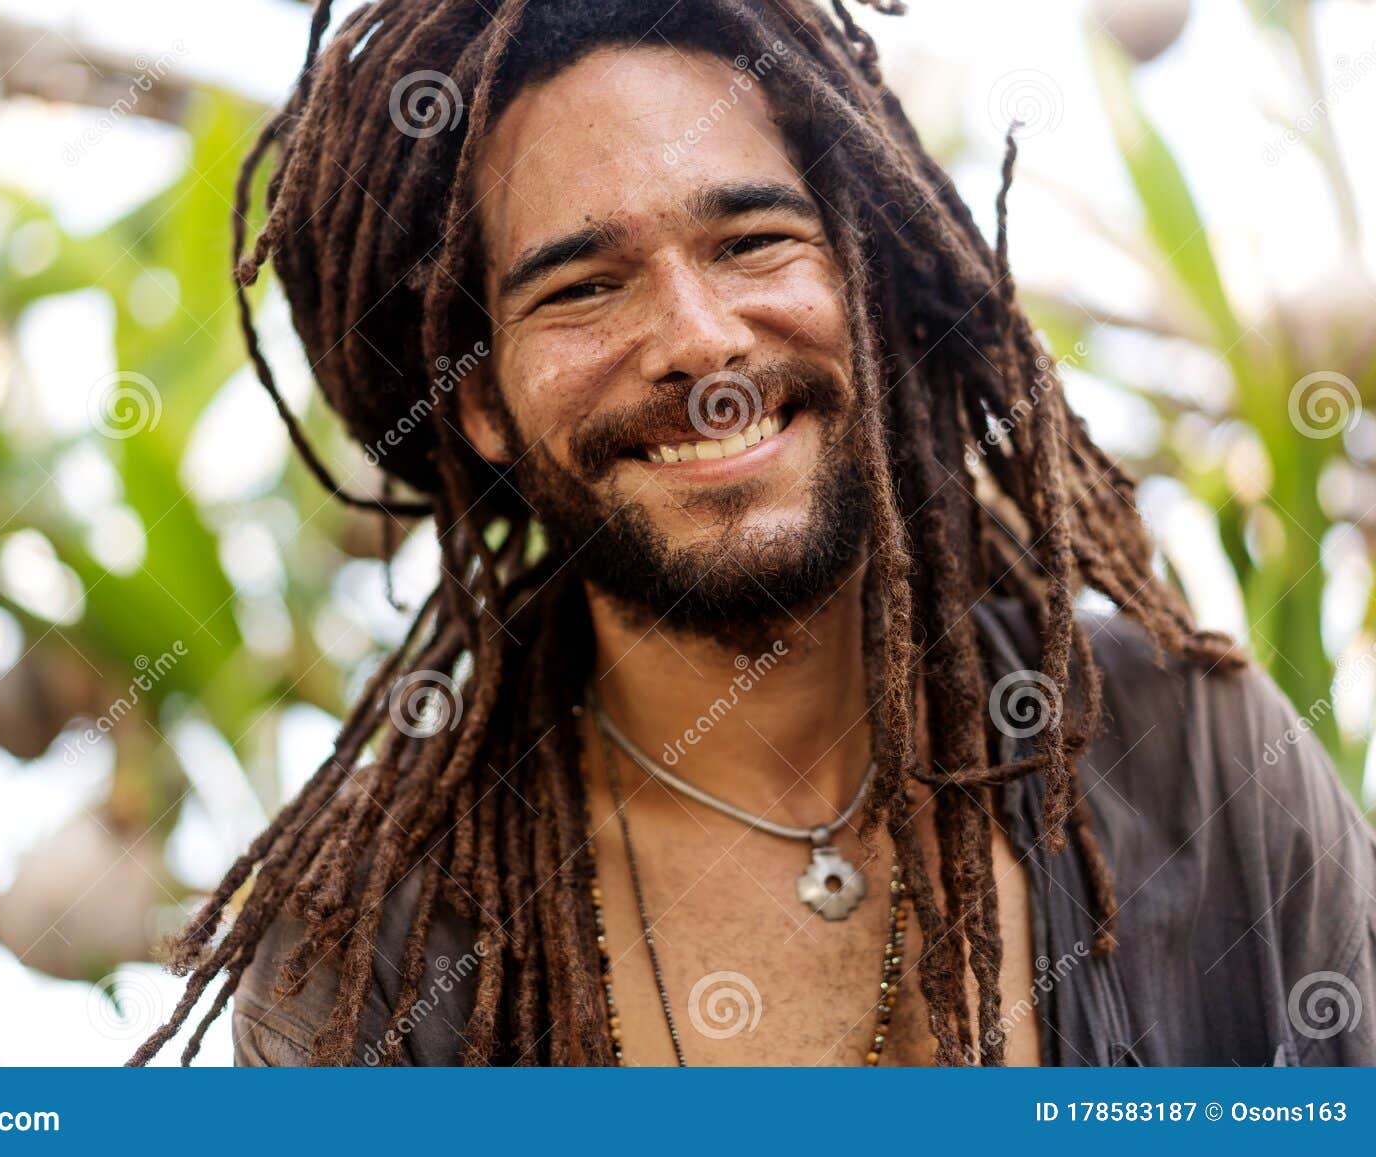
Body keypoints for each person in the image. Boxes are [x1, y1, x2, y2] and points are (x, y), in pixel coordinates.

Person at [130, 0, 1376, 1067]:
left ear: (864, 287)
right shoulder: (377, 951)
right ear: (480, 399)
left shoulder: (1196, 764)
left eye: (753, 240)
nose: (700, 339)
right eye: (580, 286)